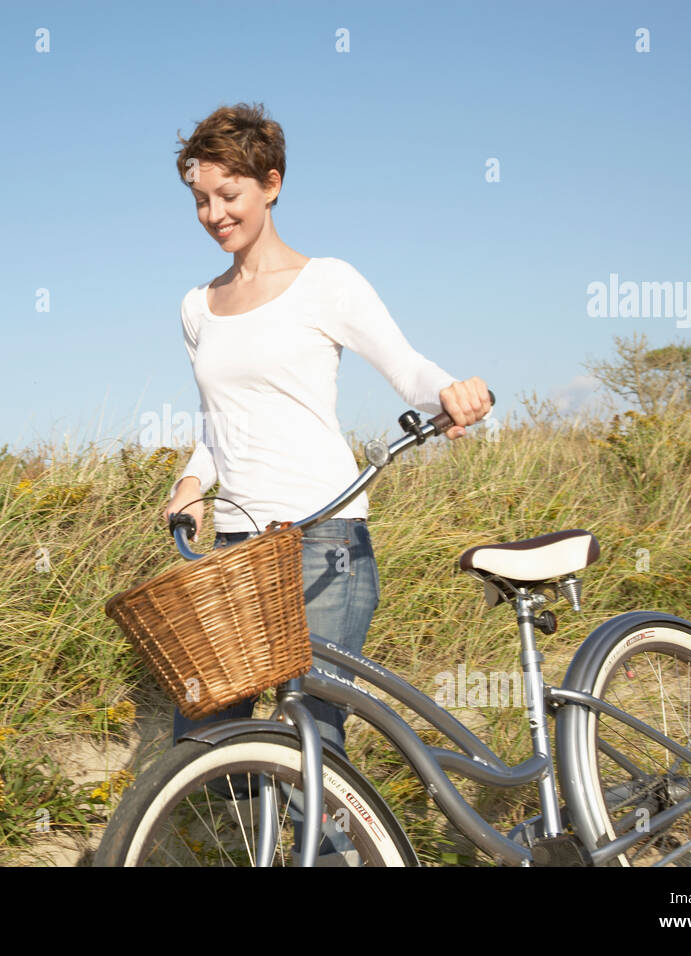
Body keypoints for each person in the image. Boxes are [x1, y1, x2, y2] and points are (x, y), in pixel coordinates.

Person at [161, 102, 491, 862]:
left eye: (229, 195)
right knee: (211, 731)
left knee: (310, 741)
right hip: (244, 549)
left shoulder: (328, 283)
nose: (214, 214)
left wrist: (451, 390)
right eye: (200, 199)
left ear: (271, 184)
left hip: (327, 540)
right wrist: (190, 481)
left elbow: (406, 367)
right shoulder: (196, 306)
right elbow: (217, 420)